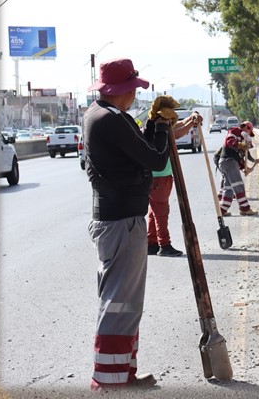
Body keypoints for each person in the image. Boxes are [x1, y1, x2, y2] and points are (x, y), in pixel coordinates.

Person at [83, 58, 201, 389]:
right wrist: (162, 126)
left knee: (125, 302)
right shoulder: (111, 120)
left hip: (117, 219)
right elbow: (155, 157)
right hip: (121, 222)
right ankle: (109, 380)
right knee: (120, 303)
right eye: (133, 89)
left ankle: (122, 374)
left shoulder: (104, 115)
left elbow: (141, 149)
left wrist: (153, 126)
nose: (136, 94)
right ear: (124, 90)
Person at [215, 121, 258, 216]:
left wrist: (245, 168)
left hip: (228, 163)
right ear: (246, 127)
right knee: (238, 185)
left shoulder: (243, 138)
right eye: (249, 132)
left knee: (229, 188)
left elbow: (242, 157)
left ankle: (222, 210)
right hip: (228, 161)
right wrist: (240, 144)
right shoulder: (235, 131)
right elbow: (229, 141)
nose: (249, 134)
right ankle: (244, 208)